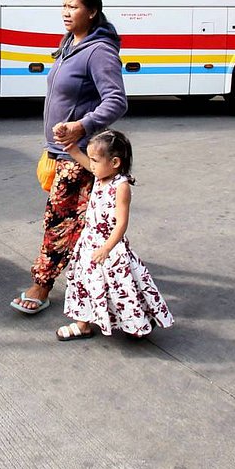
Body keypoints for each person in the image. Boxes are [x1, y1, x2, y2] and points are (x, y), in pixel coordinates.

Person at [11, 0, 127, 315]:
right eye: (63, 6)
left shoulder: (99, 50)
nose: (66, 12)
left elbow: (116, 101)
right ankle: (106, 278)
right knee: (84, 221)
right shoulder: (70, 44)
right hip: (59, 151)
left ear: (91, 12)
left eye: (73, 7)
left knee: (59, 220)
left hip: (79, 154)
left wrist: (81, 125)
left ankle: (42, 285)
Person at [55, 129, 172, 340]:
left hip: (110, 248)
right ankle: (83, 324)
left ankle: (137, 321)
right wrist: (72, 149)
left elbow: (121, 223)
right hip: (89, 244)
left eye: (95, 160)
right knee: (85, 283)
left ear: (115, 162)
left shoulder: (121, 186)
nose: (91, 165)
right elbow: (86, 163)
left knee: (123, 286)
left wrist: (107, 248)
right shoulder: (101, 175)